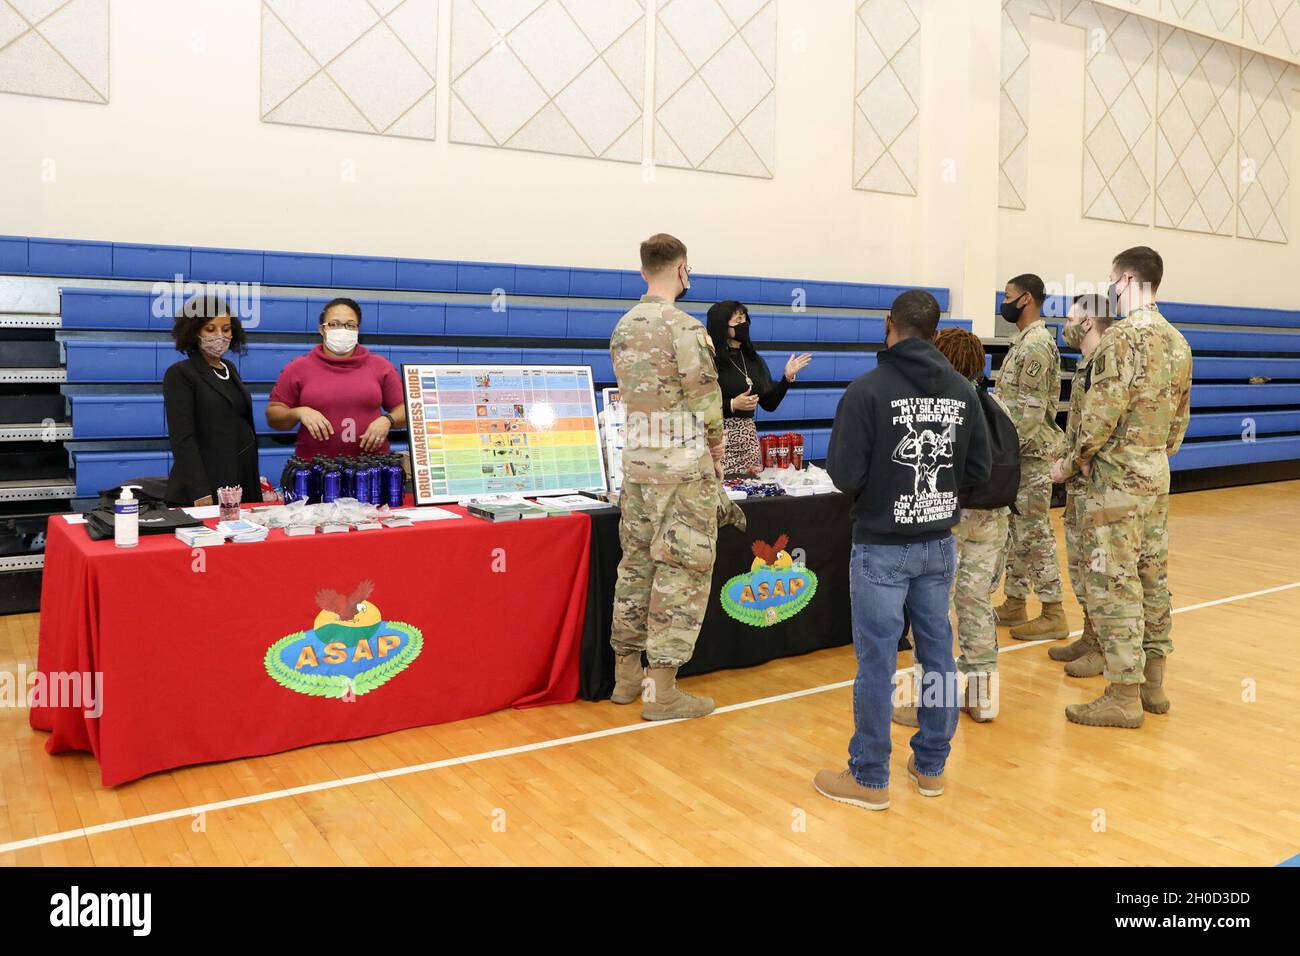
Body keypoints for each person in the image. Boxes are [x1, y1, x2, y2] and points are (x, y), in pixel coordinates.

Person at [815, 290, 992, 811]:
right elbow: (980, 473)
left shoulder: (867, 391)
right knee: (937, 655)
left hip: (881, 547)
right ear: (936, 333)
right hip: (938, 542)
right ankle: (931, 766)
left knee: (877, 663)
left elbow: (843, 475)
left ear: (887, 324)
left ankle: (870, 777)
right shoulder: (963, 391)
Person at [607, 234, 742, 721]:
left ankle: (625, 679)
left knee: (636, 565)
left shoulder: (623, 327)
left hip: (638, 463)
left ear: (645, 270)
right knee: (681, 569)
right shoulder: (683, 327)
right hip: (683, 468)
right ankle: (661, 691)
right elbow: (706, 401)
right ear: (682, 269)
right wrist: (718, 451)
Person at [1061, 247, 1191, 728]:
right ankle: (1154, 683)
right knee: (1153, 578)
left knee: (1115, 584)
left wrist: (1071, 465)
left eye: (1112, 278)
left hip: (1114, 483)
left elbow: (1098, 420)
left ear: (1129, 279)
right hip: (1156, 477)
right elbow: (1179, 425)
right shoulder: (1179, 343)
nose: (1109, 286)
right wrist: (1151, 455)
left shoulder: (1121, 340)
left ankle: (1122, 694)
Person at [894, 328, 1014, 728]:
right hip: (994, 516)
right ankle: (983, 700)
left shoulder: (943, 407)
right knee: (976, 602)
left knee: (933, 607)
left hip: (950, 515)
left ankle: (930, 702)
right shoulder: (999, 404)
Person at [993, 273, 1068, 641]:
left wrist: (1002, 452)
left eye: (1007, 296)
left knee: (1034, 533)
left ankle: (1053, 610)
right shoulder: (1023, 341)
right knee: (1017, 531)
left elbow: (1030, 411)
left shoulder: (1037, 344)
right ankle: (1015, 602)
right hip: (1020, 456)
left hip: (1031, 457)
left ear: (1025, 299)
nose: (1003, 302)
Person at [1048, 294, 1115, 678]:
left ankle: (1105, 647)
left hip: (1095, 483)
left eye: (1072, 318)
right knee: (1081, 565)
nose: (1067, 325)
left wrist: (1068, 465)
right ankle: (1090, 636)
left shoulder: (1106, 363)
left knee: (1098, 567)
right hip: (1078, 482)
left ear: (1088, 322)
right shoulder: (1087, 363)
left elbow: (1098, 428)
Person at [266, 298, 406, 459]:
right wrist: (299, 412)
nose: (343, 330)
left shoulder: (381, 366)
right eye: (335, 324)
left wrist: (388, 420)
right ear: (322, 329)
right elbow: (274, 416)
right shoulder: (298, 367)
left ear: (357, 330)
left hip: (372, 469)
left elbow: (405, 410)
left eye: (350, 325)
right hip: (314, 469)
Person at [162, 294, 262, 507]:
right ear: (194, 331)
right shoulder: (180, 374)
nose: (220, 336)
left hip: (241, 479)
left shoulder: (230, 369)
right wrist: (200, 493)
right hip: (204, 487)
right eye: (210, 329)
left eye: (226, 329)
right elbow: (182, 440)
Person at [706, 300, 812, 475]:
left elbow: (769, 404)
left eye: (745, 319)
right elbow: (696, 404)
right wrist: (732, 404)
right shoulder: (710, 360)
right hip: (718, 440)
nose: (744, 324)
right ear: (722, 327)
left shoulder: (754, 360)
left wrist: (787, 378)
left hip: (748, 440)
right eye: (738, 320)